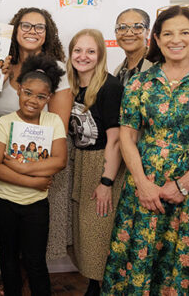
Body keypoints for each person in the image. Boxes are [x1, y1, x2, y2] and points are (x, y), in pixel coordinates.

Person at [102, 5, 189, 296]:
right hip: (144, 191)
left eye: (183, 32)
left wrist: (182, 185)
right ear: (156, 38)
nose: (175, 40)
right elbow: (127, 137)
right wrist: (142, 184)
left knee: (185, 274)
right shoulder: (140, 83)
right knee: (138, 266)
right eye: (167, 33)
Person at [0, 56, 68, 296]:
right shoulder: (4, 123)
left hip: (35, 205)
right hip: (4, 201)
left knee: (35, 260)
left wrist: (21, 167)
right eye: (28, 93)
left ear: (49, 98)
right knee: (8, 256)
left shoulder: (53, 121)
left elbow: (59, 160)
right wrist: (34, 180)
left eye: (41, 97)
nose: (33, 100)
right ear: (19, 90)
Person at [66, 29, 124, 296]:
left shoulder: (110, 87)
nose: (83, 56)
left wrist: (106, 182)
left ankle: (99, 288)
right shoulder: (74, 88)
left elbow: (115, 140)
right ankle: (93, 285)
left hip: (102, 164)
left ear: (100, 55)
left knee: (98, 231)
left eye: (90, 51)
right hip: (81, 163)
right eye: (78, 50)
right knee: (84, 235)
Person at [112, 9, 153, 86]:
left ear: (147, 32)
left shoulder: (158, 67)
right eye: (122, 27)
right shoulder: (117, 71)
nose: (129, 33)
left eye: (137, 27)